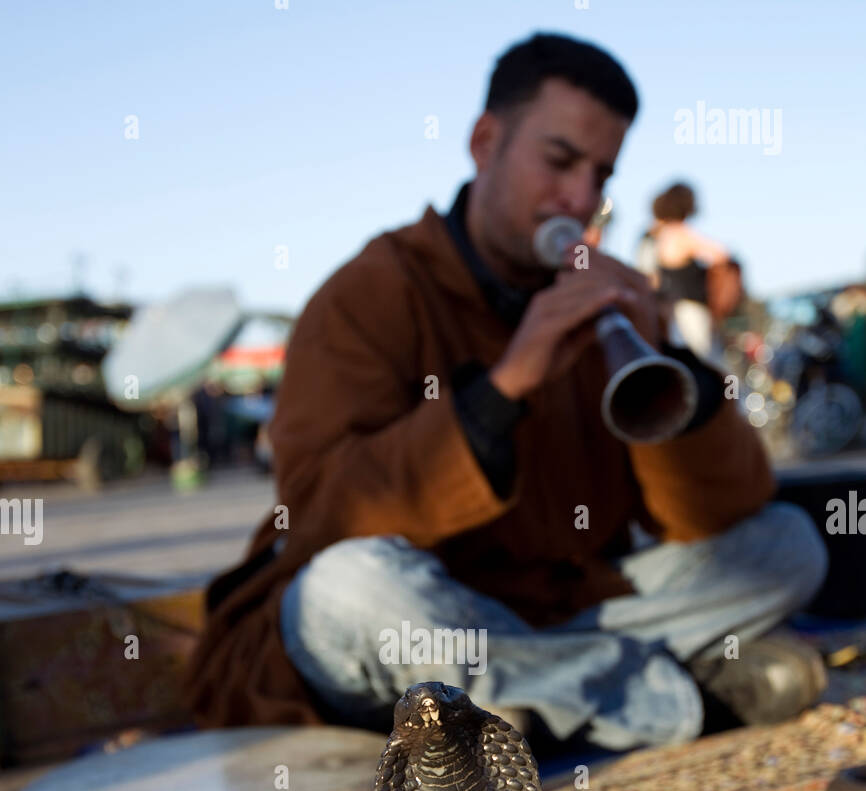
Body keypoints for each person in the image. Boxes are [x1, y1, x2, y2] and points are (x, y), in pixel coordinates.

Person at [187, 33, 828, 751]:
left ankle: (524, 704)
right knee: (348, 590)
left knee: (789, 546)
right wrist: (503, 389)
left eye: (601, 176)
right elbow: (322, 518)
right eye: (559, 162)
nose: (580, 199)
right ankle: (685, 704)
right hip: (422, 613)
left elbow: (716, 516)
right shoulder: (368, 293)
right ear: (485, 142)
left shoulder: (597, 302)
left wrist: (666, 364)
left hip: (553, 617)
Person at [642, 182, 729, 364]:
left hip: (670, 313)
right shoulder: (681, 234)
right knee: (705, 365)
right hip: (691, 312)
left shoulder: (657, 235)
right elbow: (721, 254)